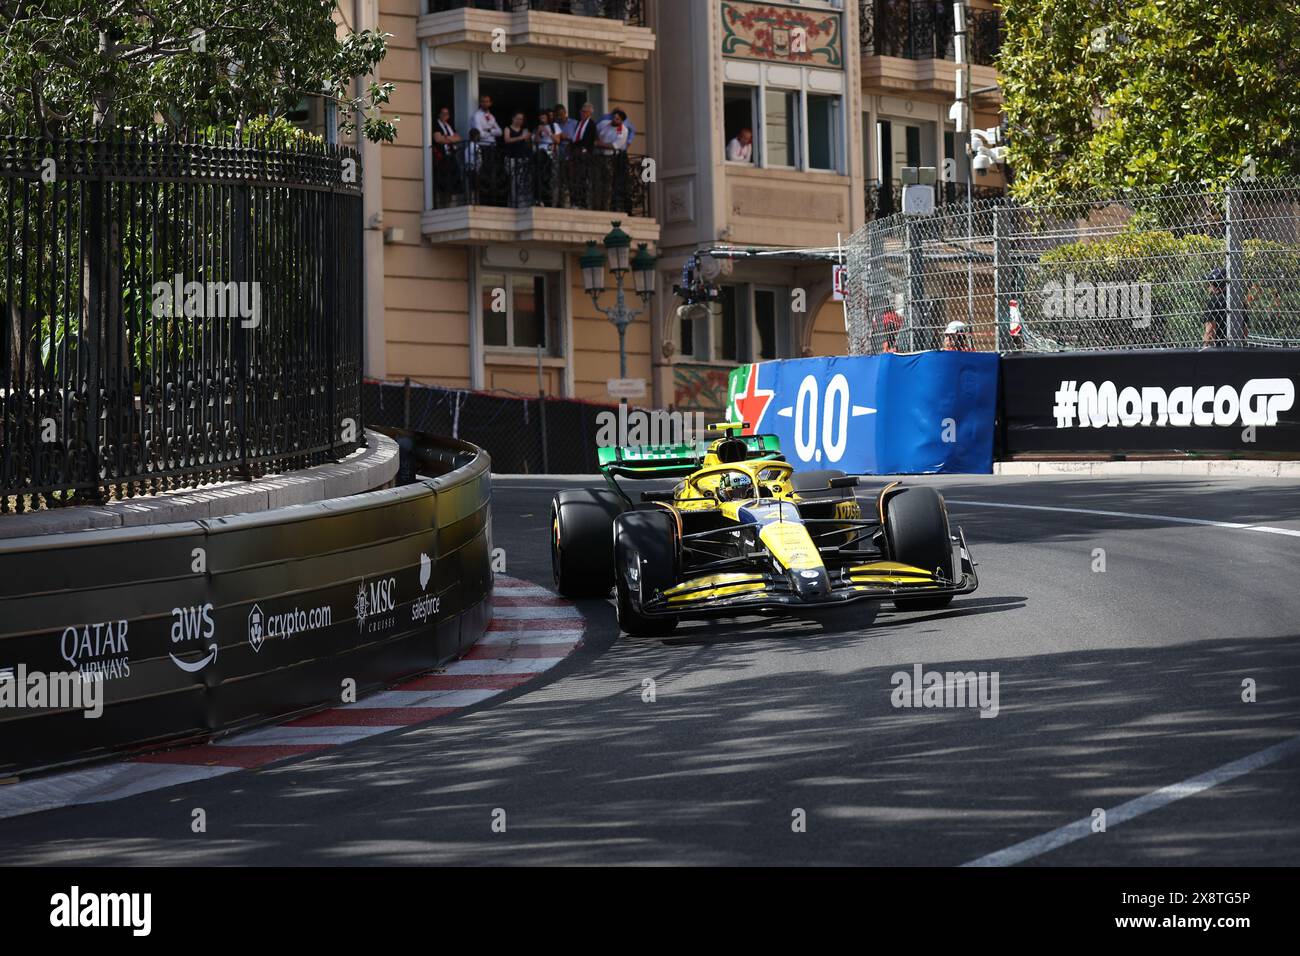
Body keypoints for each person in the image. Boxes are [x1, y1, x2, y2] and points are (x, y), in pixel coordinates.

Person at [1202, 266, 1229, 347]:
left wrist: (1205, 346)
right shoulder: (1238, 300)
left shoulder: (1213, 302)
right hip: (1238, 349)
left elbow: (1210, 330)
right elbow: (1245, 331)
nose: (1208, 287)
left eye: (1210, 283)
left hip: (1220, 348)